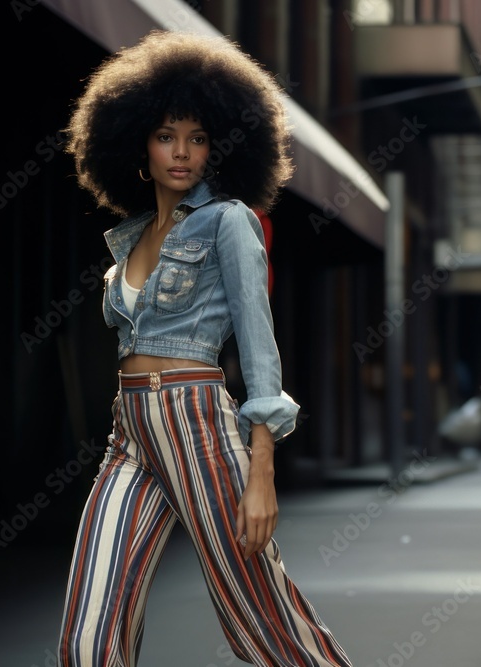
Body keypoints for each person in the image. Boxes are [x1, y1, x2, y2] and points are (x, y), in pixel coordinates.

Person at [55, 29, 352, 667]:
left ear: (218, 145)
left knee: (263, 623)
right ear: (139, 143)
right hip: (129, 431)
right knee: (88, 637)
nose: (182, 152)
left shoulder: (229, 221)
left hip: (196, 424)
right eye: (166, 136)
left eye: (197, 138)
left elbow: (258, 340)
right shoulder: (127, 242)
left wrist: (262, 471)